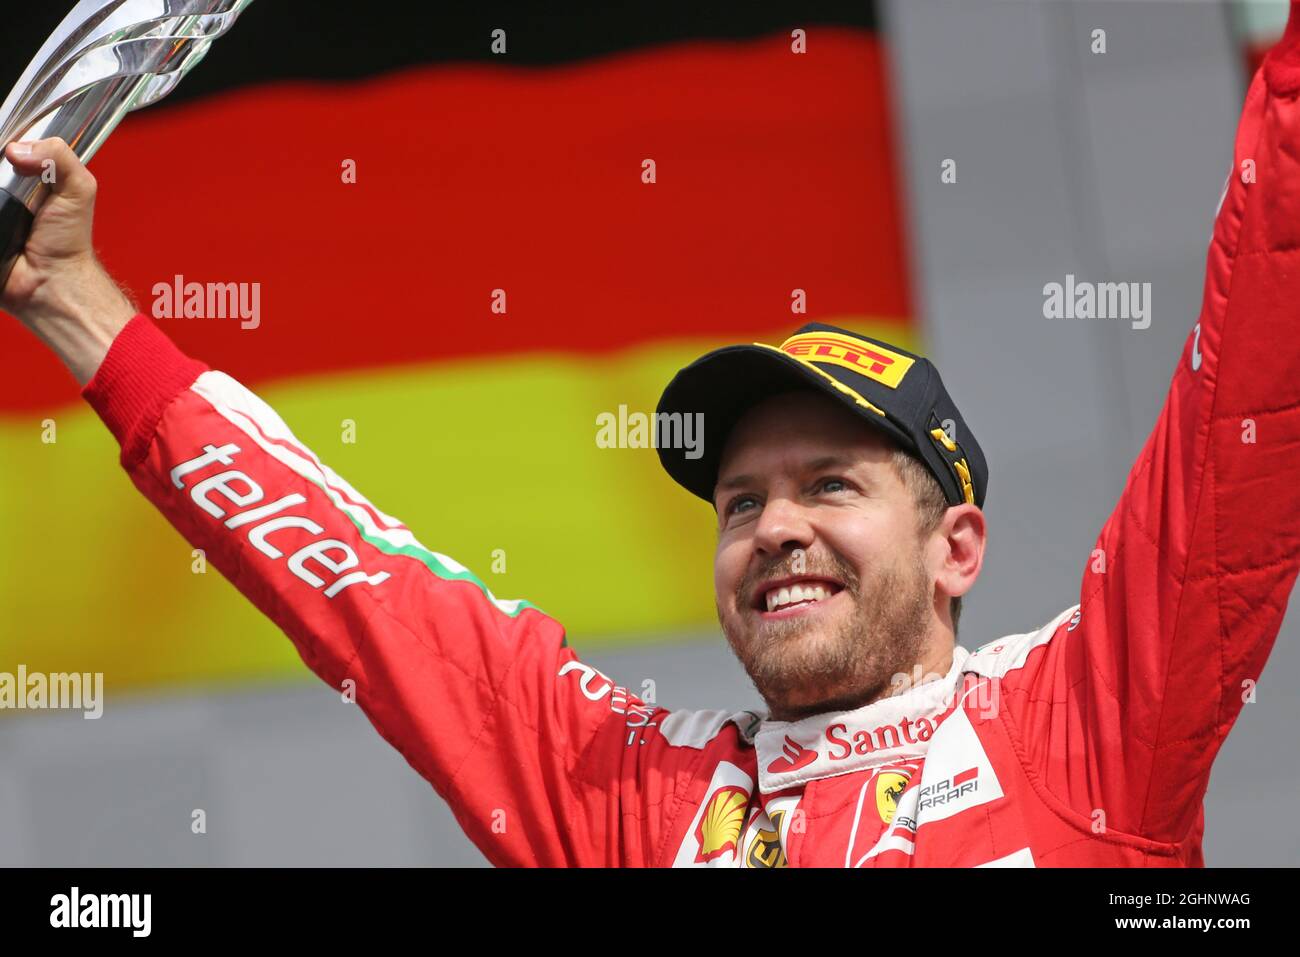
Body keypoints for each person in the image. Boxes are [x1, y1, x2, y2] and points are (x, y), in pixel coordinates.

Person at [6, 11, 1300, 867]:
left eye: (829, 483)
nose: (774, 525)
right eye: (740, 501)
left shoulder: (1082, 721)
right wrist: (69, 297)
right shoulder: (632, 798)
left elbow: (1250, 379)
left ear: (959, 542)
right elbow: (357, 583)